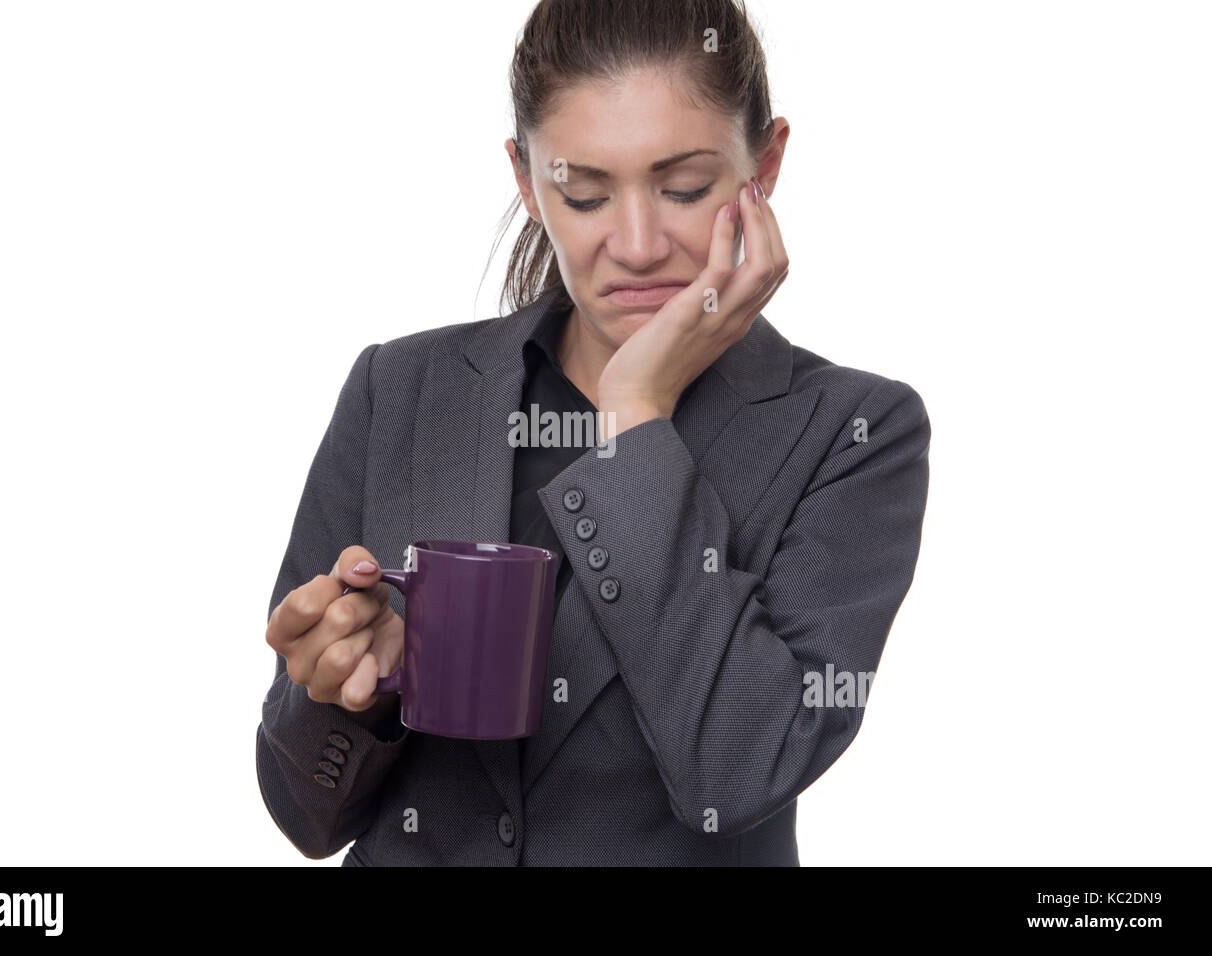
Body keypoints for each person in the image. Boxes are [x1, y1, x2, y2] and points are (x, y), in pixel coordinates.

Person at [255, 0, 930, 866]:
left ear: (765, 164)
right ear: (529, 183)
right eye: (583, 193)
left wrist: (637, 413)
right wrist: (347, 694)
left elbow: (742, 771)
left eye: (685, 188)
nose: (639, 245)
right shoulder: (403, 389)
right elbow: (301, 816)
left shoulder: (854, 433)